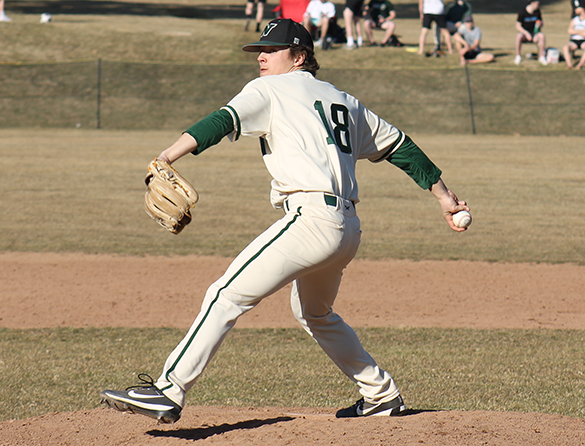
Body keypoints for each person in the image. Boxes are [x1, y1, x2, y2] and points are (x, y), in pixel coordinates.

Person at [100, 18, 470, 424]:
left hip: (310, 220)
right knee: (315, 312)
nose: (261, 56)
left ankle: (168, 390)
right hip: (347, 229)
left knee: (226, 294)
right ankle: (380, 394)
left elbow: (220, 121)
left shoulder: (269, 89)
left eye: (271, 50)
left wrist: (167, 156)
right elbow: (400, 147)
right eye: (260, 49)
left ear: (298, 57)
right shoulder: (346, 101)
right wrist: (444, 197)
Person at [514, 0, 548, 65]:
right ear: (532, 3)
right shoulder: (523, 12)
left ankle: (541, 57)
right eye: (537, 4)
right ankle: (518, 56)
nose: (538, 6)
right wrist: (526, 33)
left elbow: (541, 22)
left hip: (534, 33)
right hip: (525, 34)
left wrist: (540, 24)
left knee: (542, 36)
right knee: (519, 36)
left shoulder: (537, 12)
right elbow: (518, 26)